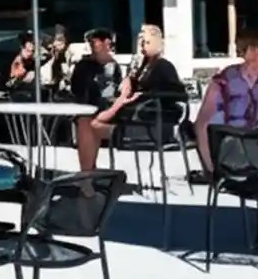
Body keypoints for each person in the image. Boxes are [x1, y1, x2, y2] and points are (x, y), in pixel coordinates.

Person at [76, 24, 185, 171]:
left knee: (90, 124)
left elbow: (179, 94)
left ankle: (88, 175)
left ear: (157, 43)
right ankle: (89, 173)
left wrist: (144, 96)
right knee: (88, 122)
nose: (142, 46)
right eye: (140, 42)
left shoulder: (163, 66)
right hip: (138, 117)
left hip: (151, 123)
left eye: (146, 42)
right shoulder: (144, 66)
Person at [193, 28, 258, 175]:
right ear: (257, 51)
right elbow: (201, 124)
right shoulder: (224, 80)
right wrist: (210, 167)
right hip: (225, 147)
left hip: (248, 145)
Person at [71, 28, 123, 171]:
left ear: (106, 43)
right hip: (87, 109)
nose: (92, 46)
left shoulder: (113, 66)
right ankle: (88, 172)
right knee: (84, 120)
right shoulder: (83, 65)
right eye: (90, 42)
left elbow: (115, 92)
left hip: (108, 112)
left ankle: (86, 175)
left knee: (86, 122)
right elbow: (76, 89)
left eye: (95, 42)